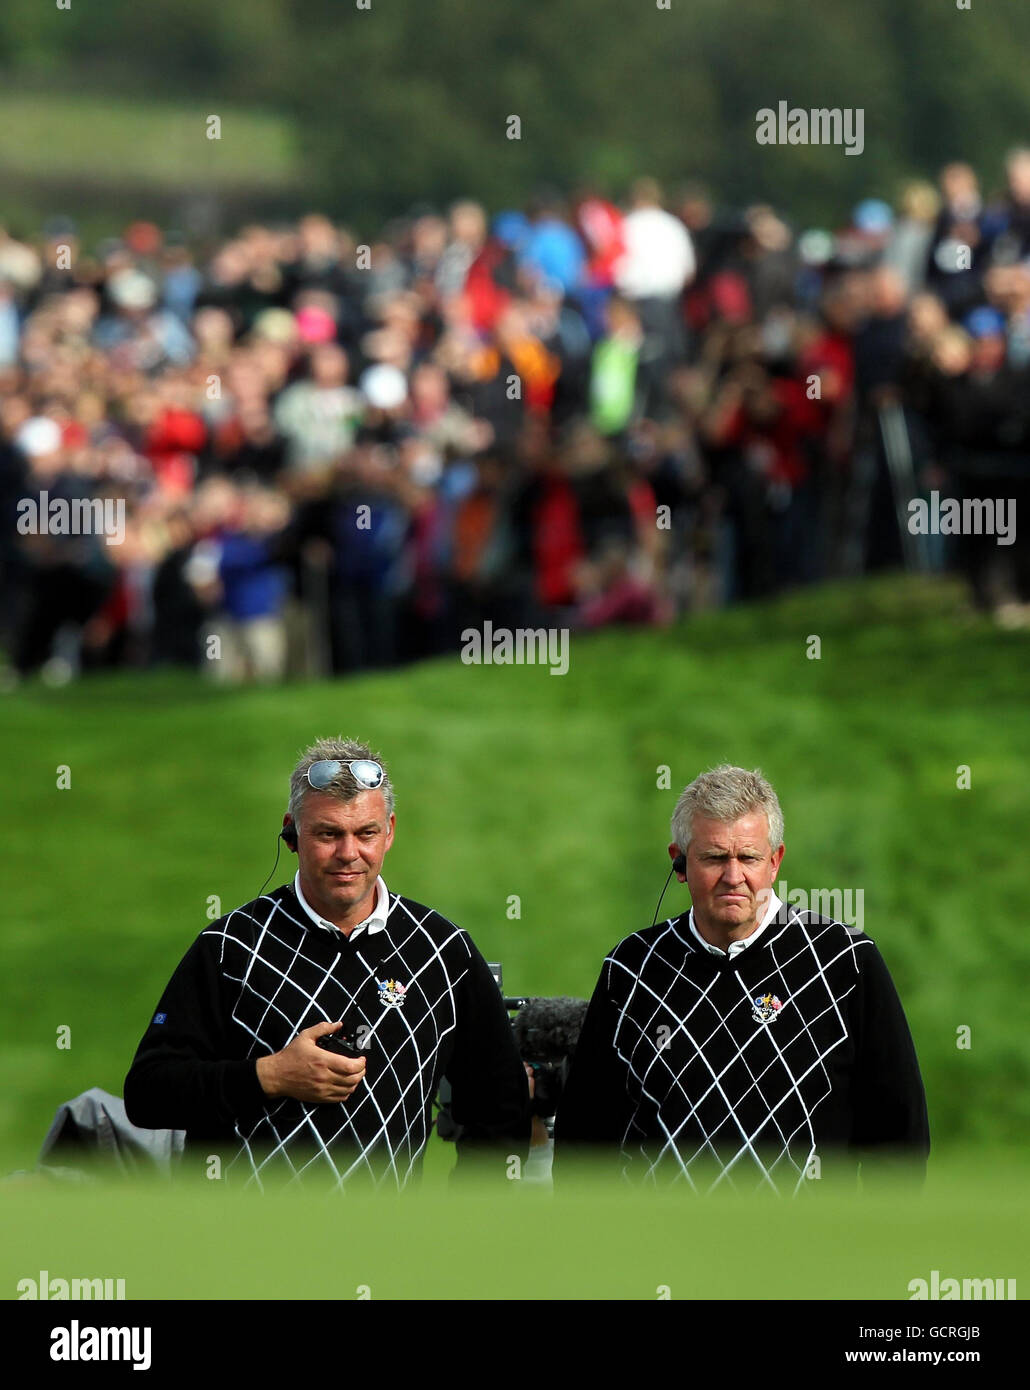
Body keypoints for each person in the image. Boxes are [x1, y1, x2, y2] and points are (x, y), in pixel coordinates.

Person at [124, 737, 530, 1189]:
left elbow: (501, 1108)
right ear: (292, 834)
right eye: (328, 834)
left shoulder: (442, 950)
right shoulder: (230, 947)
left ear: (390, 831)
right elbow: (148, 1093)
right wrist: (270, 1076)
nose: (348, 854)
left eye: (366, 833)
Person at [554, 765, 929, 1193]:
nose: (734, 877)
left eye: (748, 858)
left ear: (775, 861)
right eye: (714, 858)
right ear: (679, 862)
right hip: (662, 1251)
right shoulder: (631, 967)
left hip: (809, 1251)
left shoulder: (847, 962)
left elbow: (899, 1133)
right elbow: (584, 1139)